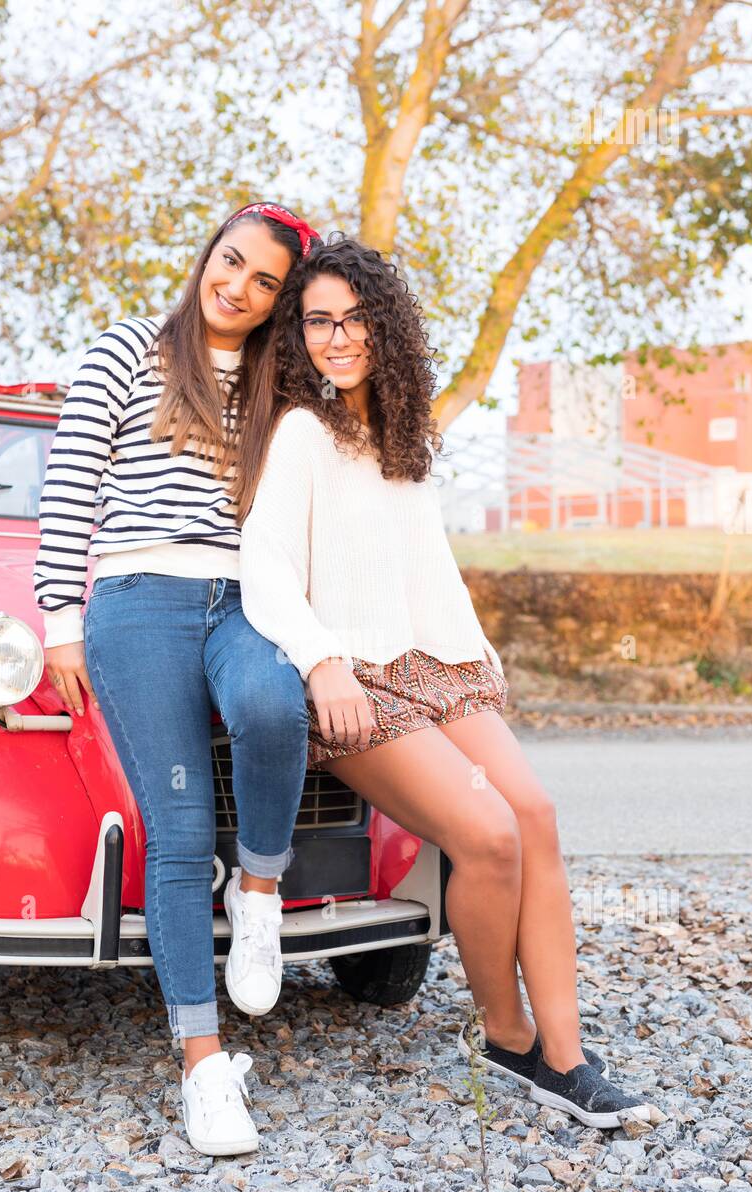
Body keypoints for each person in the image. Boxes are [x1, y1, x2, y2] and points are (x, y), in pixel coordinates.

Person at [238, 234, 653, 1130]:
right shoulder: (302, 432)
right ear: (298, 335)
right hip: (352, 677)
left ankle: (570, 1056)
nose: (337, 338)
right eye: (317, 322)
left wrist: (476, 664)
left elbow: (426, 564)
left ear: (385, 326)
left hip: (433, 663)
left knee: (536, 814)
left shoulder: (403, 434)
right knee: (489, 833)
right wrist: (321, 663)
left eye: (354, 319)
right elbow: (264, 564)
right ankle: (508, 1040)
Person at [33, 203, 324, 1158]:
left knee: (274, 705)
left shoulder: (283, 386)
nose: (235, 287)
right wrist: (59, 623)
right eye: (229, 262)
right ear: (208, 257)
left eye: (262, 281)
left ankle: (259, 893)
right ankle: (204, 1065)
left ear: (280, 300)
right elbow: (71, 484)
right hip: (136, 601)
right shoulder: (125, 351)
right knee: (179, 828)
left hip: (244, 599)